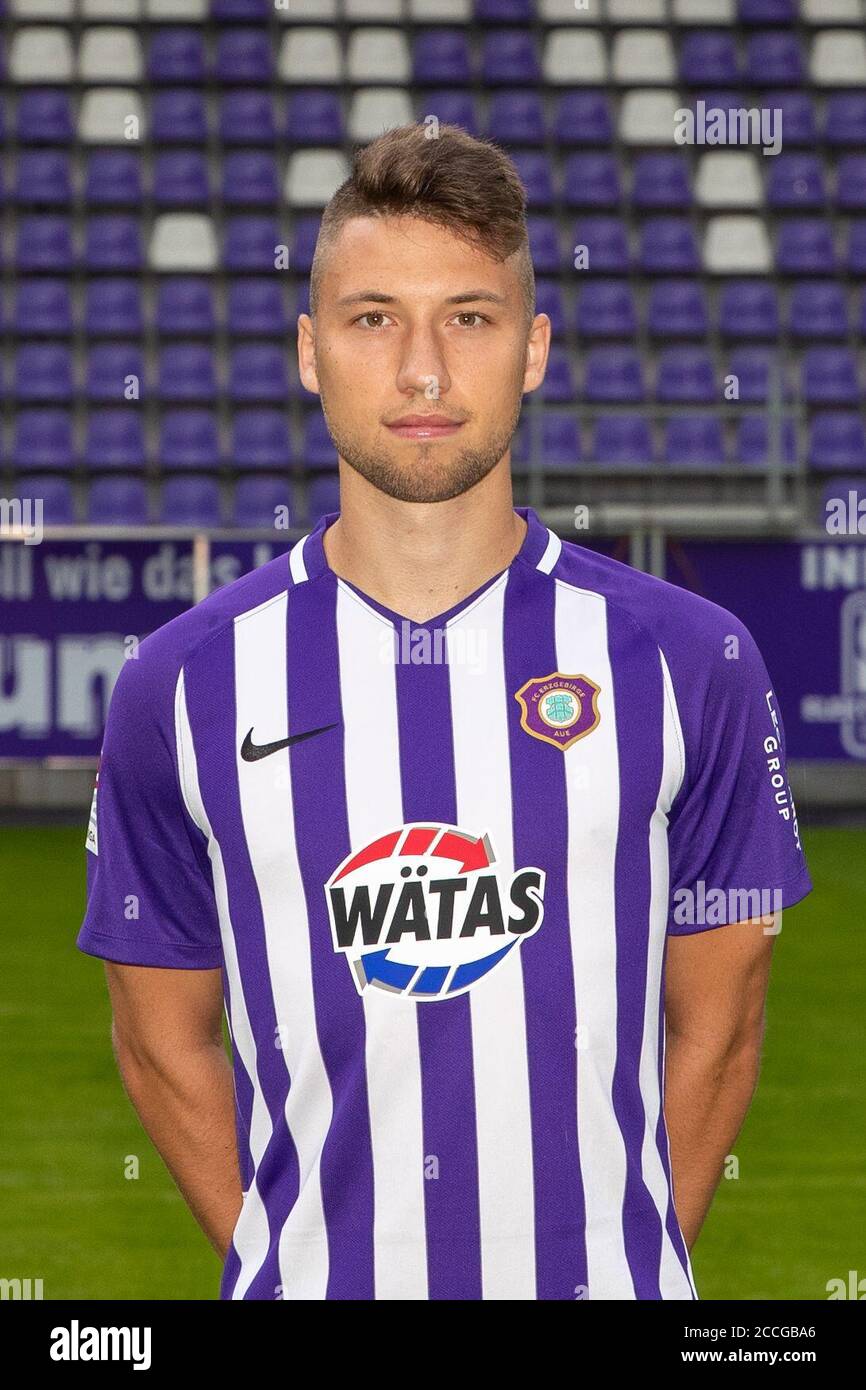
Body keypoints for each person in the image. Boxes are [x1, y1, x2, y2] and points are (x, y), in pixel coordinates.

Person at [78, 124, 811, 1301]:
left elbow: (719, 1024)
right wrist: (298, 1263)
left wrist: (618, 1270)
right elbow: (160, 1038)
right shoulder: (180, 683)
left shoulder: (690, 660)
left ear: (532, 349)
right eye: (374, 319)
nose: (422, 370)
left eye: (468, 318)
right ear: (311, 352)